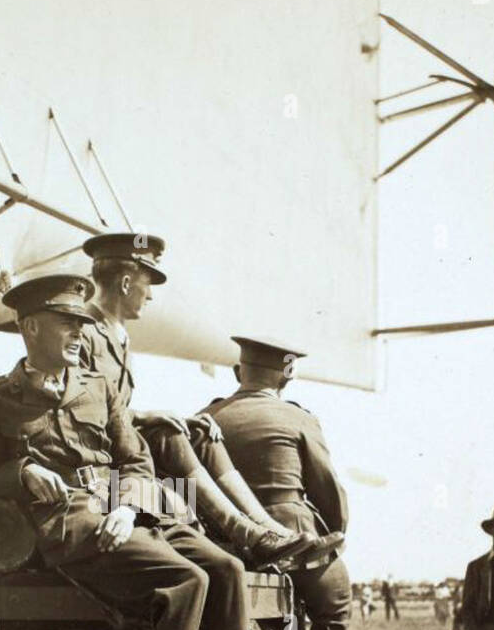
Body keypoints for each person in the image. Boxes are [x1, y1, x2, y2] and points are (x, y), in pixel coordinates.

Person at [0, 273, 303, 630]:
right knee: (186, 581)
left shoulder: (98, 387)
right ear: (32, 327)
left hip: (129, 512)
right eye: (68, 323)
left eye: (83, 323)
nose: (80, 333)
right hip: (73, 524)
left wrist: (127, 508)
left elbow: (136, 460)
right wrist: (23, 473)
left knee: (228, 568)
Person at [80, 232, 341, 572]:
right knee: (169, 434)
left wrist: (174, 420)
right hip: (100, 465)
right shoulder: (84, 331)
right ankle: (250, 533)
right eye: (149, 284)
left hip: (123, 451)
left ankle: (271, 531)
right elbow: (82, 412)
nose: (152, 297)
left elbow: (113, 409)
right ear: (127, 283)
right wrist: (146, 414)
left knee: (200, 432)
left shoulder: (117, 334)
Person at [201, 336, 351, 630]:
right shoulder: (299, 418)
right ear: (287, 375)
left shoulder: (208, 414)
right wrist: (335, 532)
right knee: (337, 607)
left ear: (239, 371)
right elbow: (329, 493)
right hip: (293, 538)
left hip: (225, 540)